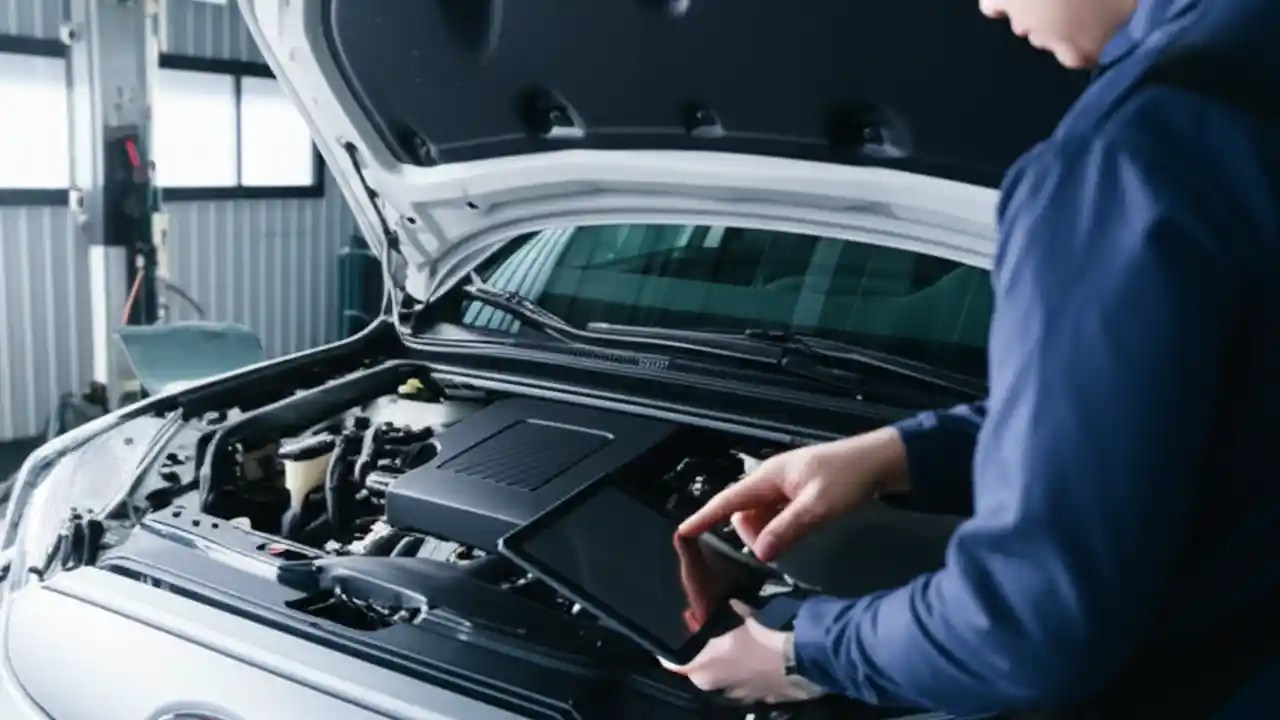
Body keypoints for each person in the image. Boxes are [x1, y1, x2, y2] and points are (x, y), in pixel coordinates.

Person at [662, 0, 1280, 716]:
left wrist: (803, 652)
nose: (987, 3)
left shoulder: (1121, 160)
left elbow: (1030, 625)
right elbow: (1208, 399)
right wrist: (897, 454)